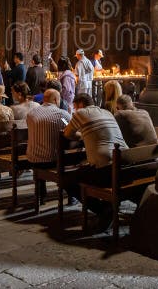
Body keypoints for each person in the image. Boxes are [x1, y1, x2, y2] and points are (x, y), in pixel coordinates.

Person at [63, 93, 128, 230]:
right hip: (126, 164)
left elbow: (68, 134)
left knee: (68, 181)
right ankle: (106, 207)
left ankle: (103, 209)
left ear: (80, 104)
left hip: (107, 168)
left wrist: (81, 136)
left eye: (75, 107)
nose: (75, 110)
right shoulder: (106, 112)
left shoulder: (80, 113)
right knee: (87, 171)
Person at [26, 89, 72, 203]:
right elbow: (71, 129)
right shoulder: (62, 115)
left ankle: (40, 194)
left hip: (33, 158)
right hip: (54, 159)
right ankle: (72, 195)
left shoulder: (31, 114)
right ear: (56, 99)